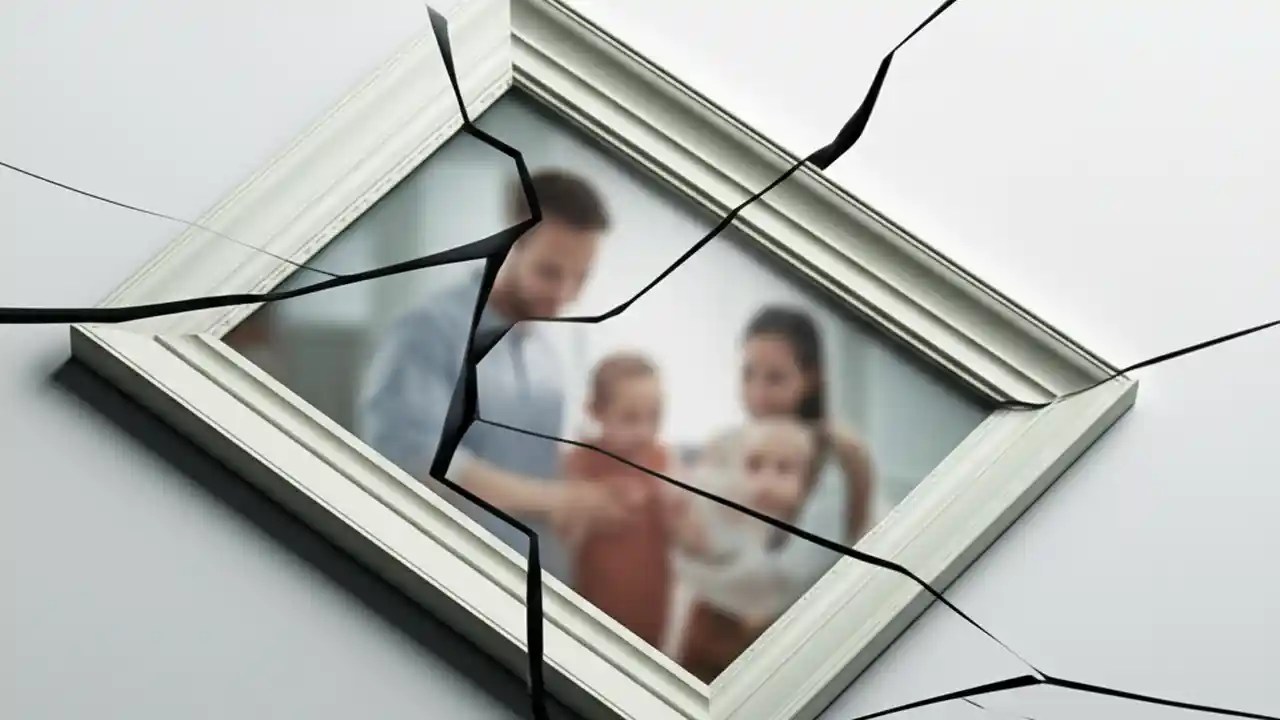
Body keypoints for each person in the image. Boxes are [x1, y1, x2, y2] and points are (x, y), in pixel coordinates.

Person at [355, 169, 625, 582]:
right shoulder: (428, 331)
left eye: (581, 277)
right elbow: (415, 461)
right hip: (448, 582)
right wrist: (557, 500)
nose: (567, 295)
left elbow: (529, 467)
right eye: (550, 272)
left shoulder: (546, 355)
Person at [669, 304, 877, 681]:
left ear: (811, 378)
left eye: (775, 378)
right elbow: (690, 543)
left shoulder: (839, 456)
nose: (757, 395)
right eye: (748, 376)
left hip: (785, 642)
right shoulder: (725, 444)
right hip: (709, 634)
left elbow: (798, 575)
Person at [665, 417, 818, 681]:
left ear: (807, 482)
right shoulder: (732, 516)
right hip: (709, 640)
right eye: (754, 466)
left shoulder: (803, 539)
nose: (765, 481)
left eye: (783, 469)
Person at [562, 352, 675, 648]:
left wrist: (675, 502)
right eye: (630, 418)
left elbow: (683, 532)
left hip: (650, 608)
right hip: (593, 607)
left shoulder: (661, 459)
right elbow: (564, 536)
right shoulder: (581, 460)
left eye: (654, 417)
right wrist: (592, 507)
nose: (644, 431)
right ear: (594, 411)